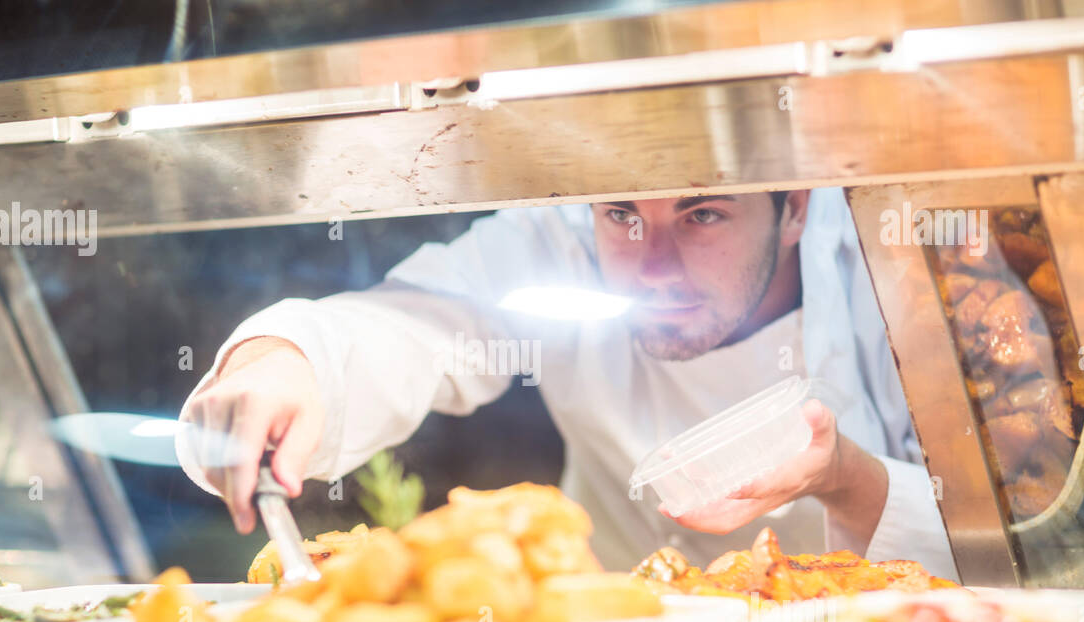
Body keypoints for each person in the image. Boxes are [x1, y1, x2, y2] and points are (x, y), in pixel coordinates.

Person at [177, 187, 958, 580]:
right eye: (622, 215)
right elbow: (415, 326)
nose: (651, 267)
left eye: (703, 216)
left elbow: (1025, 558)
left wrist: (847, 478)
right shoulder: (557, 242)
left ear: (796, 211)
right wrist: (283, 361)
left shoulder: (894, 280)